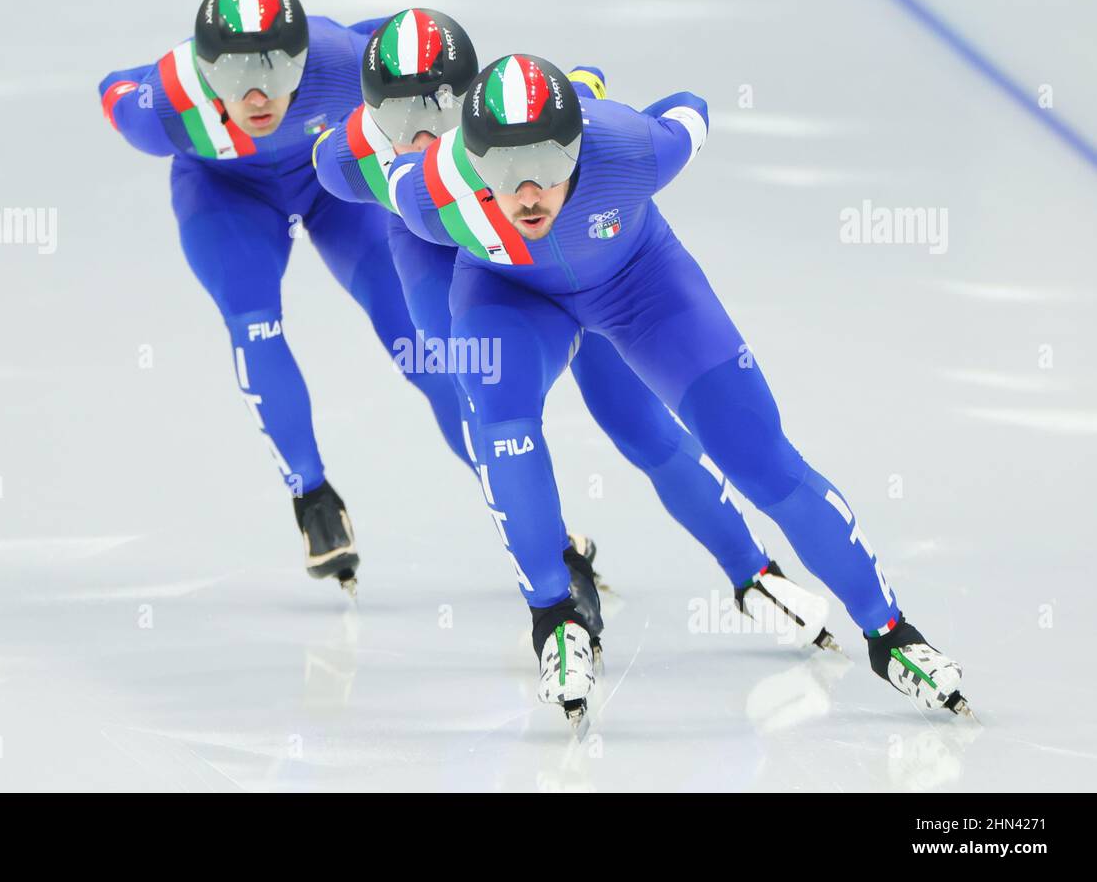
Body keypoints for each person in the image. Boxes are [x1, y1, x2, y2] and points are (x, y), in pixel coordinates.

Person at [364, 50, 973, 725]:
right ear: (473, 162)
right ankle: (555, 614)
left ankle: (890, 634)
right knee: (498, 419)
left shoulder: (630, 148)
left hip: (637, 287)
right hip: (511, 294)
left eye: (546, 166)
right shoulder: (429, 190)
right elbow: (354, 170)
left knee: (755, 454)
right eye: (506, 170)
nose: (528, 191)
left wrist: (596, 95)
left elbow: (690, 108)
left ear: (578, 147)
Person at [313, 11, 842, 707]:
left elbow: (587, 113)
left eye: (436, 106)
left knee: (638, 425)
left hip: (570, 269)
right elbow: (324, 163)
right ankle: (555, 575)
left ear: (468, 98)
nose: (416, 132)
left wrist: (589, 95)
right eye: (395, 115)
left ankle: (750, 571)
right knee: (481, 404)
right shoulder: (362, 154)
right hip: (447, 265)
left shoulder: (510, 128)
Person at [98, 0, 467, 595]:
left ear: (302, 58)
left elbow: (408, 50)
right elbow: (115, 89)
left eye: (276, 70)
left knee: (424, 350)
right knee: (254, 322)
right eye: (236, 76)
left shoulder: (340, 61)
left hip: (329, 184)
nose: (259, 94)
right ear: (205, 73)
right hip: (226, 195)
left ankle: (532, 519)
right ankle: (313, 497)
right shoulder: (162, 108)